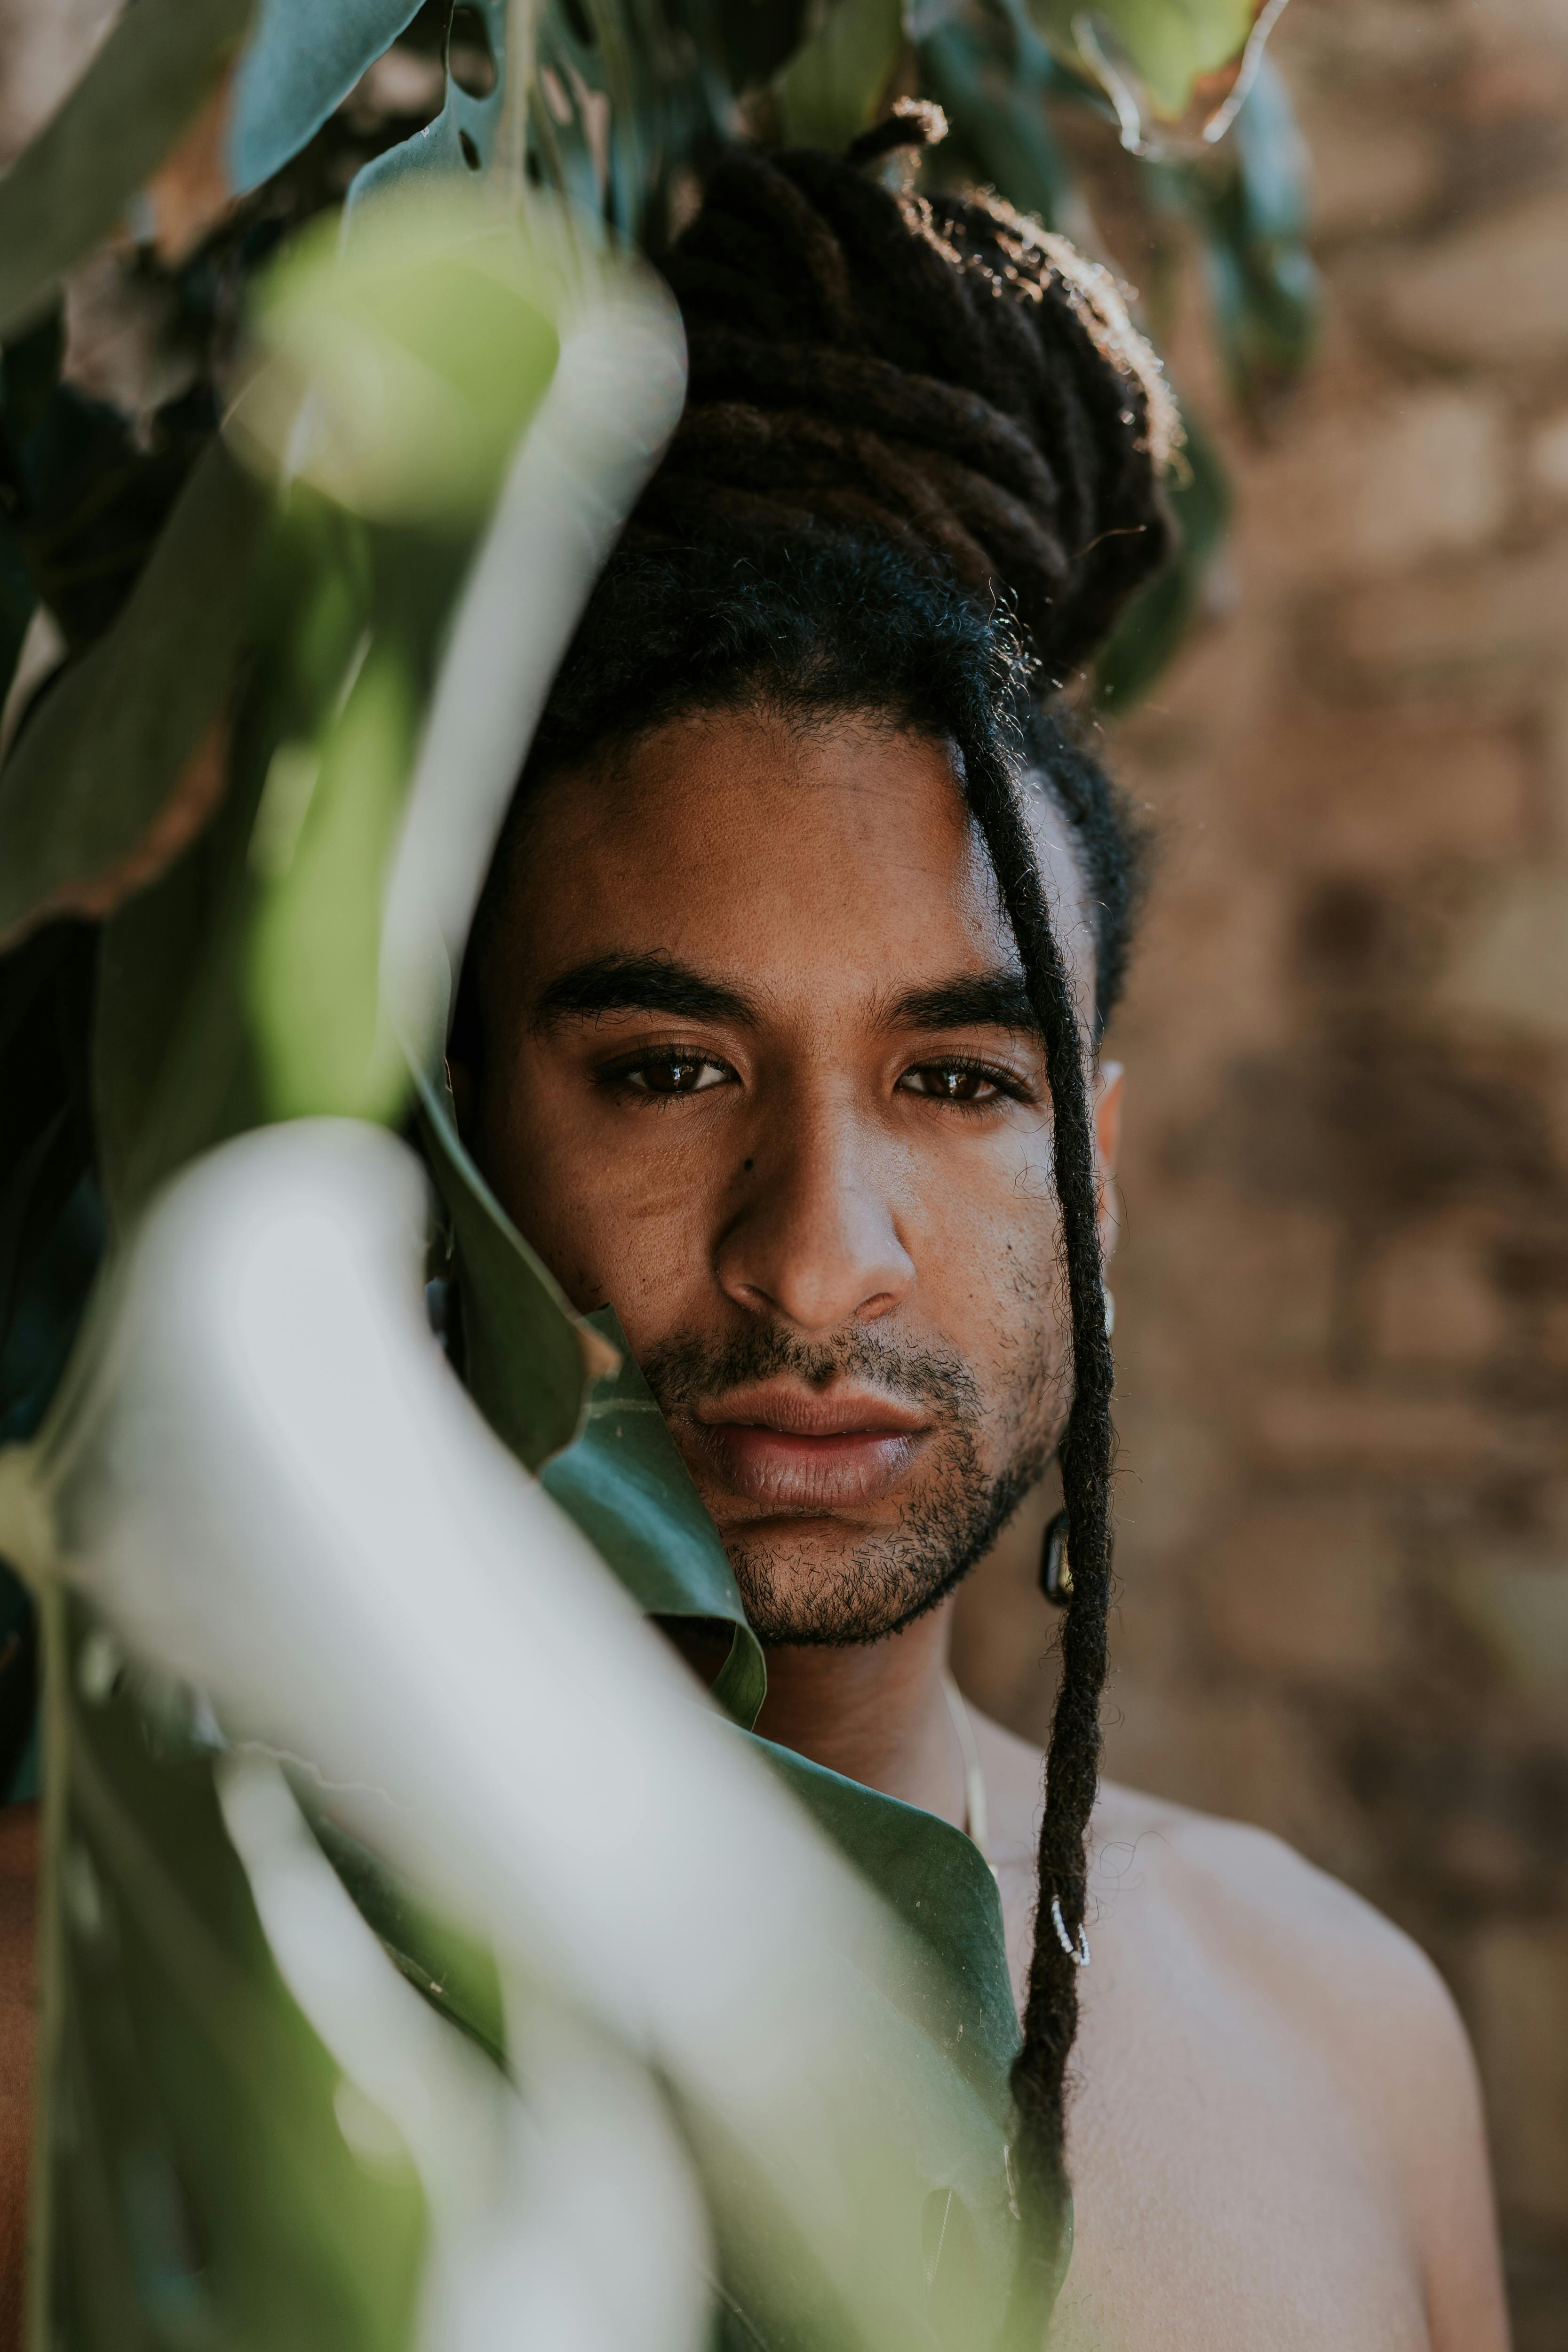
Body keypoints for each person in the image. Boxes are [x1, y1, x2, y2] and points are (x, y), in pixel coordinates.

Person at [448, 109, 1512, 2348]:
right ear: (456, 1134)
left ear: (1094, 1178)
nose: (819, 1259)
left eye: (955, 1078)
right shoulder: (153, 2020)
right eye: (664, 1066)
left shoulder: (1341, 2037)